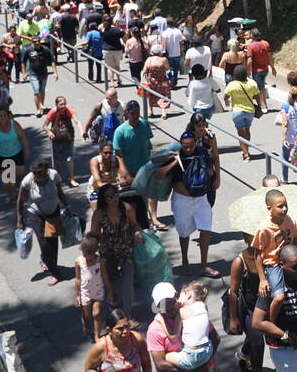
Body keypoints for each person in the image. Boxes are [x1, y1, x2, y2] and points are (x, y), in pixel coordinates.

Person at [155, 132, 221, 277]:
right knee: (184, 233)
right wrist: (174, 161)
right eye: (185, 146)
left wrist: (215, 177)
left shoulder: (202, 152)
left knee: (206, 229)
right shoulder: (173, 153)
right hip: (182, 201)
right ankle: (185, 262)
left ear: (195, 143)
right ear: (181, 144)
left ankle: (204, 265)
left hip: (201, 198)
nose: (189, 149)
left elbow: (211, 167)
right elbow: (158, 174)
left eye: (191, 146)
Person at [88, 182, 140, 314]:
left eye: (115, 195)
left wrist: (136, 233)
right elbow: (94, 234)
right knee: (111, 283)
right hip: (107, 251)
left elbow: (134, 225)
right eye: (109, 197)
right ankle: (115, 314)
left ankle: (127, 314)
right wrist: (91, 252)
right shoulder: (99, 214)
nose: (114, 198)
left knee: (128, 279)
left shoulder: (126, 208)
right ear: (103, 200)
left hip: (125, 248)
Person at [17, 159, 69, 285]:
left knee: (53, 242)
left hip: (53, 212)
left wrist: (67, 205)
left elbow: (60, 191)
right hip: (36, 215)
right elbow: (19, 201)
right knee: (45, 244)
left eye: (43, 175)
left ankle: (47, 261)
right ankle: (55, 272)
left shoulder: (54, 175)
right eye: (38, 176)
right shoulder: (27, 181)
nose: (41, 178)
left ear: (47, 171)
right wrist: (20, 219)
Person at [113, 100, 161, 229]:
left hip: (145, 167)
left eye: (138, 113)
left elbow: (148, 142)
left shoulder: (144, 124)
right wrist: (124, 173)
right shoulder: (120, 131)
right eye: (133, 113)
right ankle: (133, 221)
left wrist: (152, 160)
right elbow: (118, 154)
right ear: (127, 113)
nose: (136, 116)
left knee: (151, 193)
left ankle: (154, 218)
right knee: (131, 198)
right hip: (129, 170)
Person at [227, 239, 266, 372]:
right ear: (246, 239)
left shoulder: (268, 256)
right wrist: (234, 318)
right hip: (249, 309)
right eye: (253, 237)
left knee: (253, 336)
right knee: (259, 343)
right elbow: (233, 292)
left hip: (266, 306)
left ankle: (244, 353)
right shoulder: (239, 262)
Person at [163, 282, 215, 372]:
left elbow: (173, 337)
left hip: (191, 356)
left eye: (179, 296)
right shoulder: (203, 305)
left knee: (166, 356)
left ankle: (188, 370)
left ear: (188, 294)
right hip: (208, 350)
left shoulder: (182, 312)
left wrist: (161, 318)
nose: (177, 300)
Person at [74, 235, 113, 342]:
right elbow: (78, 279)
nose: (85, 257)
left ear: (94, 252)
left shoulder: (100, 261)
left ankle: (97, 334)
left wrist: (110, 291)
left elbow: (104, 276)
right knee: (87, 315)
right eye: (83, 254)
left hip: (98, 291)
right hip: (85, 292)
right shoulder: (78, 262)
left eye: (88, 255)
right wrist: (77, 295)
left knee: (96, 313)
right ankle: (85, 321)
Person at [0, 107, 30, 206]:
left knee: (20, 173)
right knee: (6, 178)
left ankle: (16, 184)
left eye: (5, 115)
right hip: (2, 155)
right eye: (0, 116)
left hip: (16, 152)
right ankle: (10, 196)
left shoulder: (14, 124)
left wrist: (27, 149)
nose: (3, 117)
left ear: (8, 116)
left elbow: (23, 136)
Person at [224, 63, 262, 158]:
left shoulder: (232, 85)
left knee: (241, 134)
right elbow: (257, 96)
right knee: (247, 130)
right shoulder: (252, 83)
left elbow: (225, 97)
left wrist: (227, 101)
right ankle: (247, 148)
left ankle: (246, 153)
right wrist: (260, 107)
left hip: (237, 112)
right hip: (250, 111)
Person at [43, 95, 77, 185]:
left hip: (68, 137)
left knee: (69, 159)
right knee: (57, 160)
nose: (63, 106)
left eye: (64, 104)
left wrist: (81, 129)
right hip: (57, 138)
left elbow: (76, 120)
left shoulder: (68, 110)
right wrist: (49, 132)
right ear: (56, 105)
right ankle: (57, 179)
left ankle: (72, 179)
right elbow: (45, 126)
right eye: (61, 104)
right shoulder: (53, 112)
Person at [244, 28, 276, 107]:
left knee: (260, 88)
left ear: (252, 35)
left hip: (256, 70)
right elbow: (270, 57)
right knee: (261, 86)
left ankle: (263, 105)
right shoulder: (266, 43)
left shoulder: (251, 46)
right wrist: (273, 68)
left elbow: (250, 60)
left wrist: (248, 71)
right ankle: (263, 103)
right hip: (265, 69)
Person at [23, 36, 54, 117]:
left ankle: (42, 104)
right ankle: (38, 109)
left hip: (43, 73)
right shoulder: (29, 50)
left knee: (42, 90)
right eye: (34, 41)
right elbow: (23, 61)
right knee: (36, 91)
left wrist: (55, 72)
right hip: (33, 74)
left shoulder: (45, 49)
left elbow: (52, 60)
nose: (37, 43)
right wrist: (24, 73)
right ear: (32, 42)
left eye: (38, 41)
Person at [141, 41, 172, 119]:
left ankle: (150, 111)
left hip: (151, 80)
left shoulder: (149, 59)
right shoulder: (163, 59)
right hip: (162, 79)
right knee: (163, 95)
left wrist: (144, 79)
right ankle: (163, 112)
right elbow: (168, 69)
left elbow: (144, 71)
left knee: (151, 96)